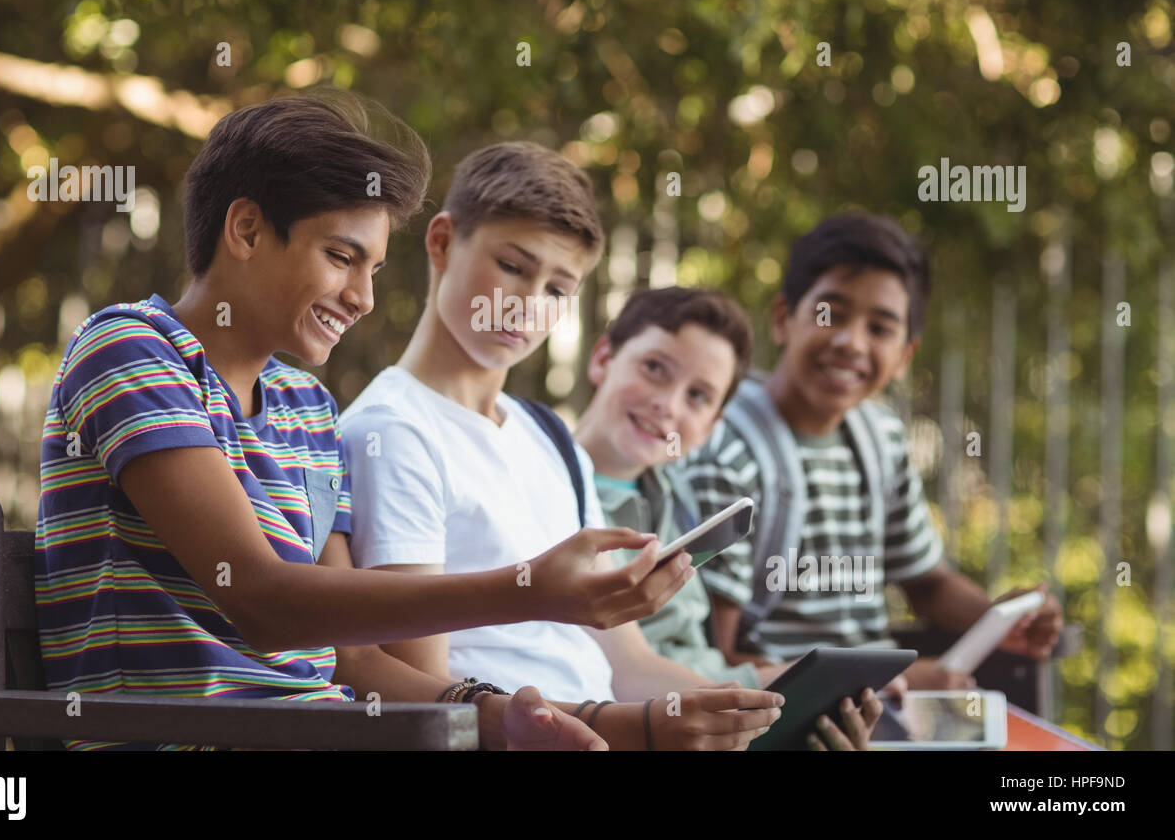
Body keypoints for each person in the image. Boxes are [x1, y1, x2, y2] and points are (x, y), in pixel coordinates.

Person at [34, 90, 684, 750]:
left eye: (371, 268)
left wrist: (501, 717)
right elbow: (262, 601)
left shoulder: (307, 408)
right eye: (342, 258)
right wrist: (531, 592)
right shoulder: (131, 350)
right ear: (248, 230)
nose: (363, 298)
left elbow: (356, 660)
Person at [341, 142, 784, 750]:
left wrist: (760, 717)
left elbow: (627, 663)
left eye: (557, 289)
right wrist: (640, 729)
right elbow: (426, 690)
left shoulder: (550, 437)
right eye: (513, 267)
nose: (526, 304)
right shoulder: (393, 432)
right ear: (442, 242)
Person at [678, 213, 1064, 689]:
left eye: (880, 328)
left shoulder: (880, 436)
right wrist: (907, 679)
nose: (850, 342)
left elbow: (927, 583)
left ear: (905, 356)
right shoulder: (727, 450)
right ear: (783, 319)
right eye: (831, 314)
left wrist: (1001, 621)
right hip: (780, 713)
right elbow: (716, 662)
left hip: (879, 707)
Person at [572, 285, 887, 750]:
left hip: (710, 701)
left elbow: (700, 656)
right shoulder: (555, 490)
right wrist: (758, 701)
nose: (669, 404)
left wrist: (786, 683)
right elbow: (628, 668)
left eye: (698, 396)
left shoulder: (677, 499)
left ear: (711, 427)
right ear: (603, 357)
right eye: (654, 368)